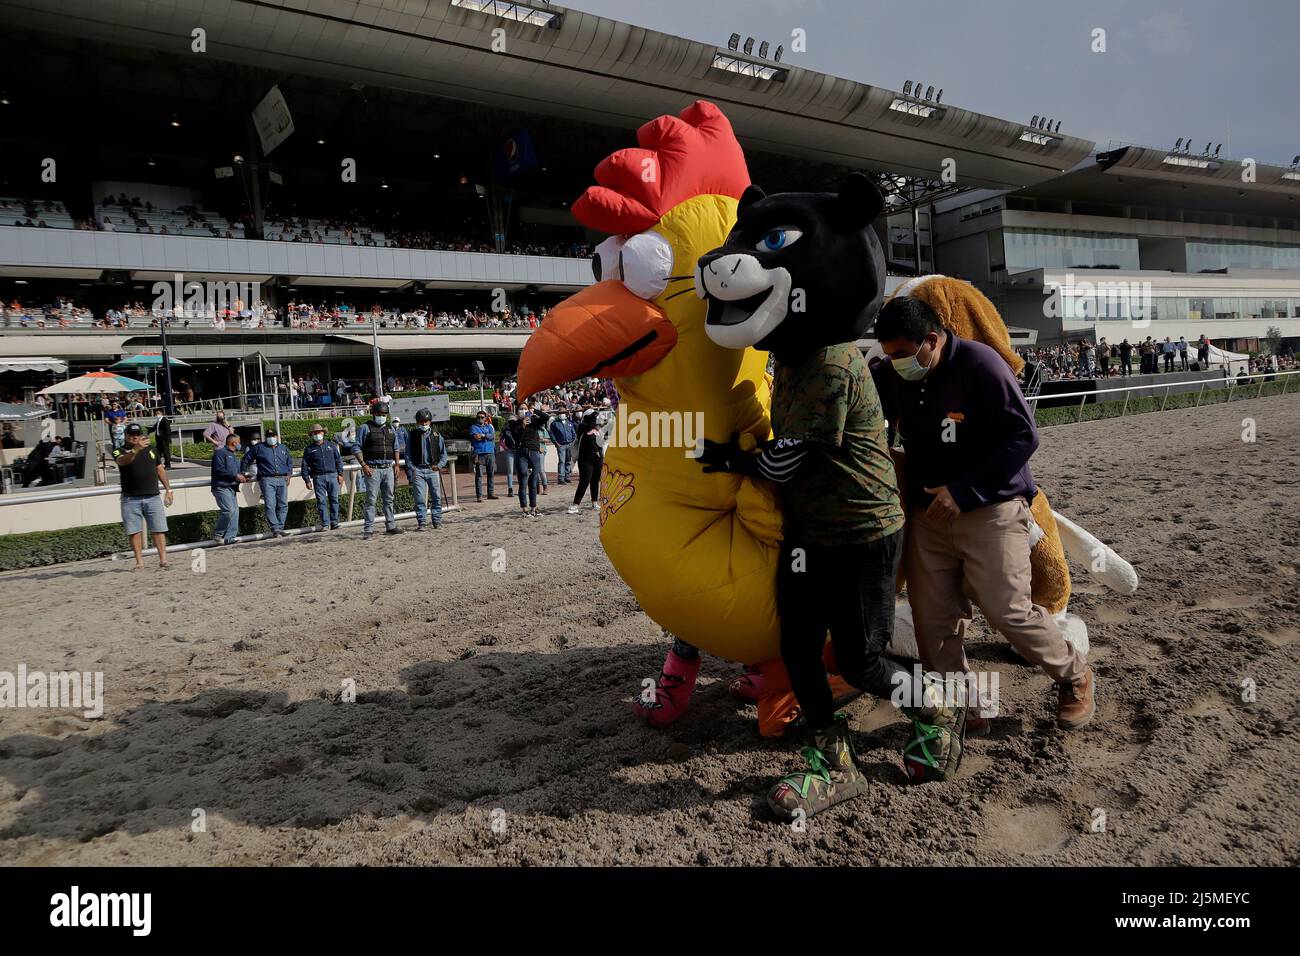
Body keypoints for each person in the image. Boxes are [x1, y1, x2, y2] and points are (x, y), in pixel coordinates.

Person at [873, 295, 1095, 732]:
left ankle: (1075, 676)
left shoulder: (982, 365)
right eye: (888, 355)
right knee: (932, 617)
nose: (895, 363)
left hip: (991, 509)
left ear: (931, 340)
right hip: (928, 514)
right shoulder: (892, 373)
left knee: (1008, 610)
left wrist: (963, 491)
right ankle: (963, 706)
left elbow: (1023, 437)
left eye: (901, 354)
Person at [113, 422, 173, 569]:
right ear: (126, 435)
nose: (135, 437)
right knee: (134, 532)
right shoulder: (119, 450)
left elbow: (160, 470)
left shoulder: (151, 449)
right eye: (131, 434)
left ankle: (163, 560)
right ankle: (139, 562)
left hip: (152, 496)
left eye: (137, 434)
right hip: (130, 498)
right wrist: (135, 450)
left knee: (158, 529)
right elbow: (122, 462)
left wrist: (169, 490)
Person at [354, 402, 403, 539]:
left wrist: (397, 464)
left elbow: (396, 447)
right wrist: (364, 465)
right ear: (373, 414)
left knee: (389, 499)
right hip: (373, 469)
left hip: (388, 468)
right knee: (371, 500)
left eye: (384, 414)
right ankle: (368, 529)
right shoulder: (365, 428)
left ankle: (391, 525)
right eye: (379, 414)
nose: (382, 417)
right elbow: (356, 447)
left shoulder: (391, 429)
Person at [241, 427, 294, 537]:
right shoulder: (259, 447)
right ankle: (275, 529)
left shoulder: (283, 448)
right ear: (265, 437)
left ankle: (280, 527)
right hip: (267, 479)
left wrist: (289, 474)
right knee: (270, 505)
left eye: (273, 436)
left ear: (276, 436)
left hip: (282, 479)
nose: (271, 438)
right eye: (268, 436)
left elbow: (289, 462)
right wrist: (243, 473)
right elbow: (246, 459)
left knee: (283, 505)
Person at [405, 409, 448, 530]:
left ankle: (437, 520)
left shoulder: (436, 435)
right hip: (418, 469)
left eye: (426, 421)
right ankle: (422, 522)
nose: (424, 423)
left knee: (436, 497)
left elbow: (444, 454)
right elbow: (407, 454)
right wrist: (412, 468)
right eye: (421, 421)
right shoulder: (412, 435)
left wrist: (439, 466)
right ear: (417, 422)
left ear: (430, 422)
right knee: (419, 498)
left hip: (432, 469)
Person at [301, 423, 345, 532]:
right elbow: (304, 465)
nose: (317, 434)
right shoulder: (309, 449)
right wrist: (307, 480)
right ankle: (325, 524)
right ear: (312, 435)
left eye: (319, 432)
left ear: (323, 433)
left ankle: (334, 523)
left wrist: (340, 474)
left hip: (333, 475)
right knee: (321, 501)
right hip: (318, 477)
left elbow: (338, 460)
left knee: (334, 499)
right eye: (314, 433)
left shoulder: (331, 445)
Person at [210, 432, 249, 545]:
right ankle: (218, 535)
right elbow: (219, 470)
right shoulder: (220, 453)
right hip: (222, 487)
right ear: (234, 443)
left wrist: (243, 476)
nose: (240, 444)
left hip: (232, 487)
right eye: (239, 442)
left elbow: (235, 472)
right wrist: (236, 475)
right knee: (229, 511)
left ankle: (230, 538)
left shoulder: (233, 455)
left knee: (235, 512)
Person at [567, 411, 604, 514]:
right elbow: (587, 425)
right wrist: (593, 418)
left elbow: (601, 442)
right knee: (584, 481)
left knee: (595, 481)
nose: (595, 419)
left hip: (598, 459)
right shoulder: (583, 427)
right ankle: (575, 504)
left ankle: (594, 502)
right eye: (592, 417)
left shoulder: (598, 429)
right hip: (585, 459)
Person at [514, 410, 545, 517]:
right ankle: (524, 509)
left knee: (533, 481)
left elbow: (545, 417)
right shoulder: (516, 425)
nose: (524, 411)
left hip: (534, 453)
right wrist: (523, 426)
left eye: (526, 409)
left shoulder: (534, 423)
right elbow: (517, 438)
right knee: (523, 481)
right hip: (522, 453)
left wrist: (535, 411)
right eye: (522, 409)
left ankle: (533, 508)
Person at [469, 410, 498, 503]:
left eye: (482, 417)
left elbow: (493, 436)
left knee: (491, 474)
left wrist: (483, 436)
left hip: (490, 453)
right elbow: (476, 437)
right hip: (479, 453)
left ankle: (490, 493)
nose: (480, 419)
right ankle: (479, 496)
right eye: (478, 417)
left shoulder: (489, 426)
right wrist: (486, 436)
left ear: (485, 418)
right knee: (479, 476)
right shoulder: (473, 427)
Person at [550, 412, 576, 483]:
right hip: (561, 445)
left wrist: (572, 443)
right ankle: (561, 478)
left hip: (569, 444)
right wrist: (556, 443)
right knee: (562, 461)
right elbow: (552, 434)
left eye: (563, 413)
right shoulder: (554, 423)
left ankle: (567, 476)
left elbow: (573, 433)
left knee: (568, 461)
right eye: (560, 413)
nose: (562, 414)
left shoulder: (569, 423)